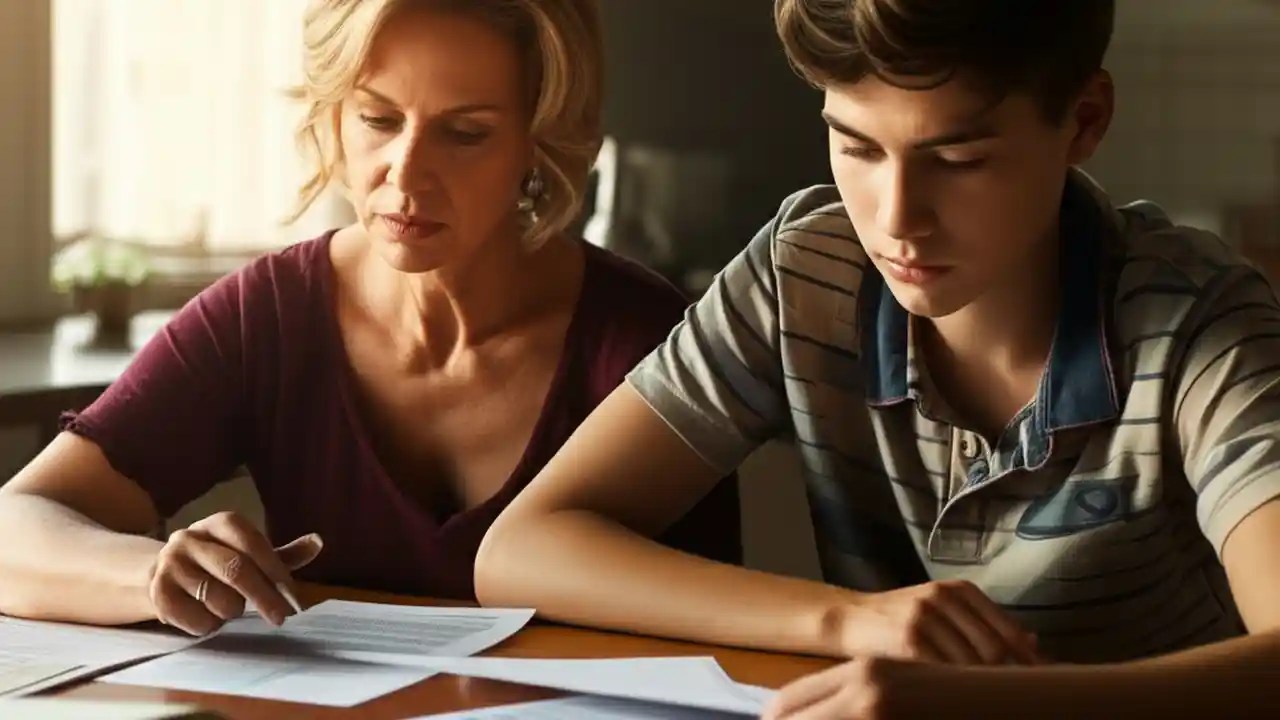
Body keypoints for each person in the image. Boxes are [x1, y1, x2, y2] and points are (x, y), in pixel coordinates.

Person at [474, 0, 1280, 716]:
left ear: (1084, 119)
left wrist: (988, 705)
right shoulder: (806, 273)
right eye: (856, 147)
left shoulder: (1201, 326)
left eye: (959, 160)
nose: (897, 220)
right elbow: (521, 551)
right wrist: (851, 620)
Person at [0, 0, 740, 638]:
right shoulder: (271, 316)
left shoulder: (650, 342)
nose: (406, 175)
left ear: (539, 141)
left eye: (466, 132)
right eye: (379, 119)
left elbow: (716, 640)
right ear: (334, 119)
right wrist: (154, 573)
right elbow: (16, 527)